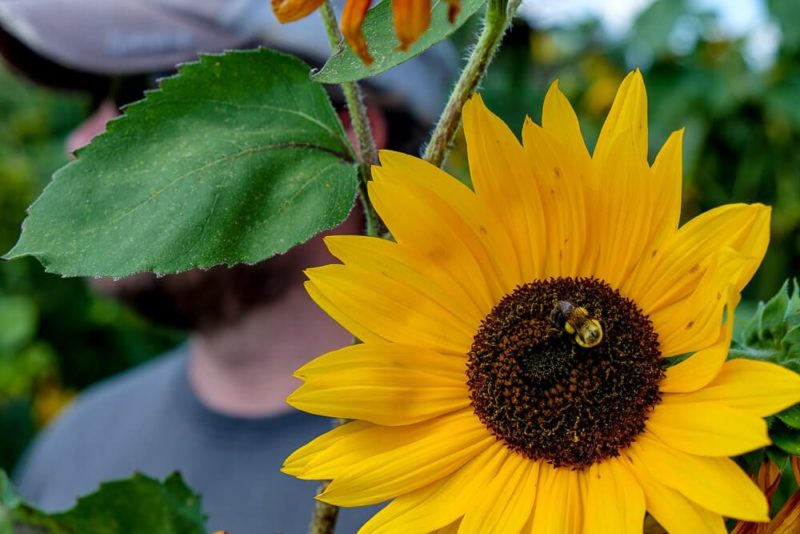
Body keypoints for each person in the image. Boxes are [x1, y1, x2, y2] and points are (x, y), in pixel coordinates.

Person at [0, 1, 456, 532]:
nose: (79, 141)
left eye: (143, 97)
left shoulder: (505, 463)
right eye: (93, 100)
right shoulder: (72, 453)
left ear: (346, 132)